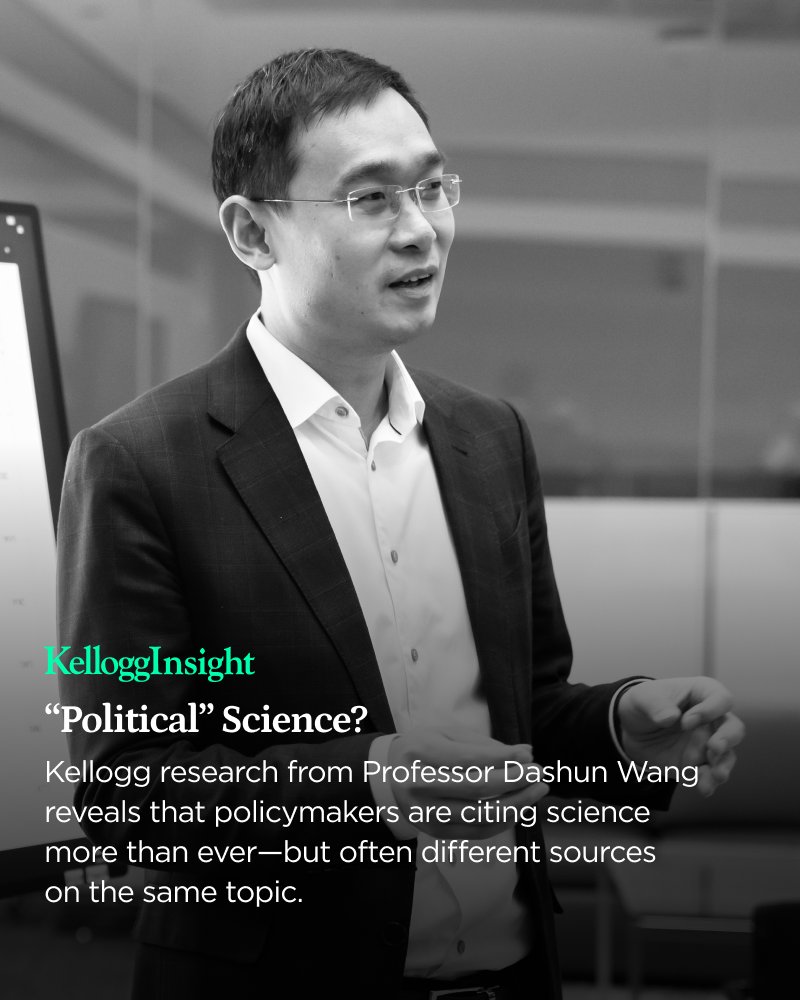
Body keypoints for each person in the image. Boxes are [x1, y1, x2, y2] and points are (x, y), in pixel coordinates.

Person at [57, 48, 743, 1000]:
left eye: (431, 187)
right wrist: (369, 782)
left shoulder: (487, 437)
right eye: (371, 198)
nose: (421, 229)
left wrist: (623, 728)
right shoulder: (140, 462)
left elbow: (528, 715)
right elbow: (125, 789)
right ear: (253, 232)